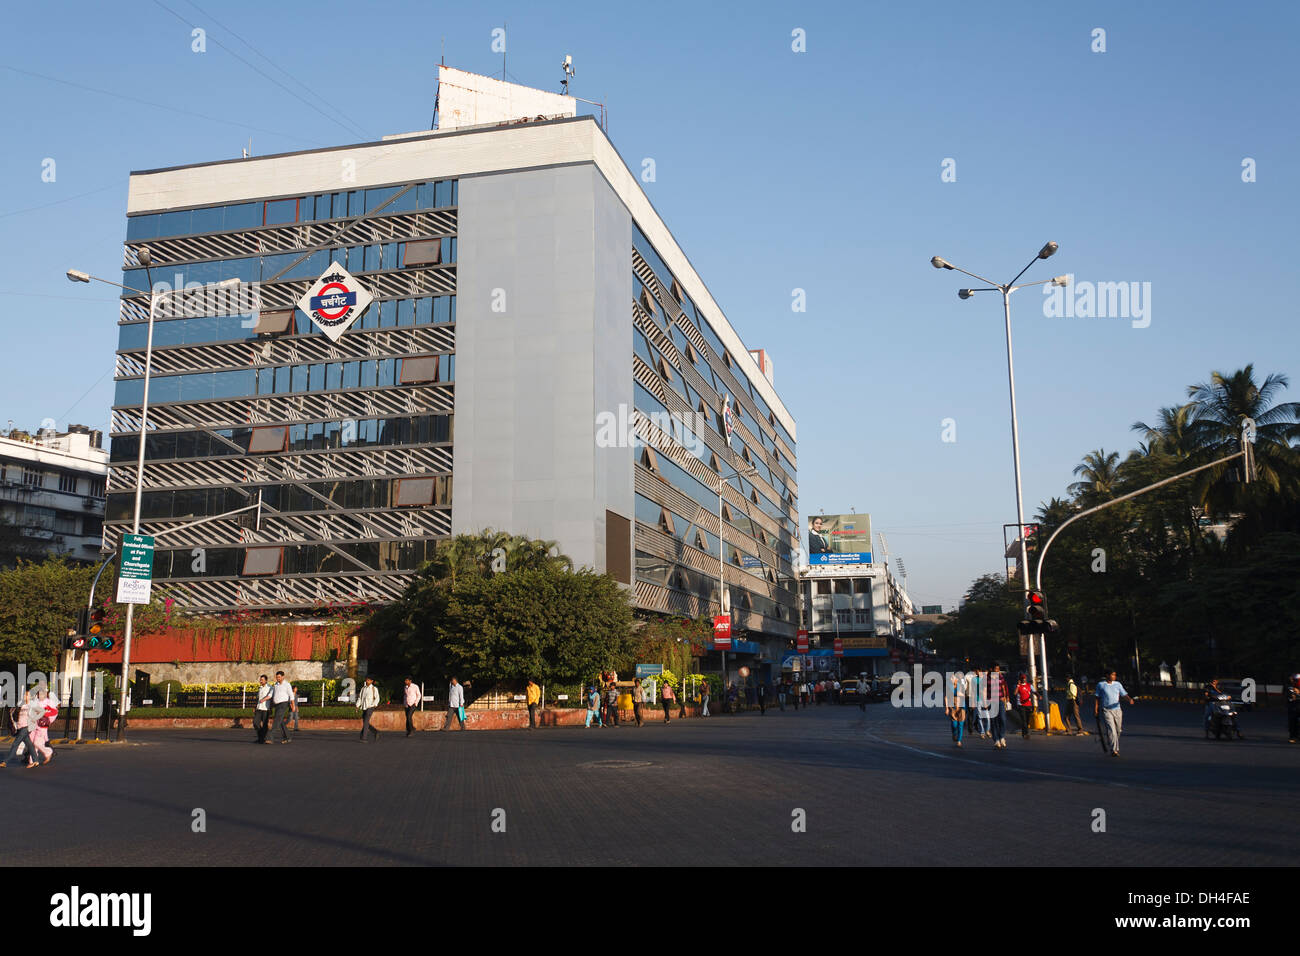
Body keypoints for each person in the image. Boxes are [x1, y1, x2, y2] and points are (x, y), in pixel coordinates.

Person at [1094, 669, 1135, 756]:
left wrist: (1129, 699)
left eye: (1115, 675)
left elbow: (1124, 694)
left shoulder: (1118, 684)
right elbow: (1097, 697)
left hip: (1117, 710)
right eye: (1112, 675)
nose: (1114, 676)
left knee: (1118, 730)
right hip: (1106, 710)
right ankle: (1114, 750)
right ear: (1107, 675)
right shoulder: (1101, 685)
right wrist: (1096, 709)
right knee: (1112, 730)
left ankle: (1111, 740)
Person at [25, 687, 58, 768]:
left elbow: (55, 712)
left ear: (46, 694)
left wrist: (44, 715)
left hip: (42, 725)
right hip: (34, 724)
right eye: (39, 694)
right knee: (32, 743)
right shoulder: (36, 702)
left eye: (42, 694)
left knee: (36, 742)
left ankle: (48, 752)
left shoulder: (49, 703)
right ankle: (33, 761)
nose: (41, 695)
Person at [0, 690, 33, 768]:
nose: (25, 696)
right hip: (20, 727)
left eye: (27, 695)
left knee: (15, 744)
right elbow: (15, 714)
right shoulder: (21, 704)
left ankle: (5, 761)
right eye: (24, 695)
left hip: (25, 728)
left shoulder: (31, 705)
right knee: (30, 745)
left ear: (30, 697)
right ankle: (35, 760)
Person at [989, 663, 1010, 749]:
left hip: (1001, 700)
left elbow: (1004, 687)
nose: (997, 671)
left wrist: (1006, 697)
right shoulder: (987, 678)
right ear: (992, 669)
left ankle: (1001, 737)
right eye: (995, 669)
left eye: (998, 669)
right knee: (994, 721)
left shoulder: (1001, 677)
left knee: (1003, 719)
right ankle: (996, 740)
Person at [270, 671, 294, 743]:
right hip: (277, 705)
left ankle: (270, 737)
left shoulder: (287, 684)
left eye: (279, 677)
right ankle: (287, 737)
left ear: (283, 677)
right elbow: (273, 695)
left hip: (283, 704)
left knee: (276, 720)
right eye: (277, 677)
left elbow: (291, 695)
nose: (278, 678)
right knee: (280, 721)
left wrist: (293, 705)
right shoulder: (276, 685)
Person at [356, 676, 380, 742]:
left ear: (372, 681)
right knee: (365, 722)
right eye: (366, 680)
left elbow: (377, 698)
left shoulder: (374, 689)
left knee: (366, 722)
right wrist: (357, 705)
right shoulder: (363, 689)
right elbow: (360, 698)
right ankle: (375, 732)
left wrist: (374, 705)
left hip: (370, 707)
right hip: (364, 707)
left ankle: (364, 738)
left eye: (369, 680)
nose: (367, 681)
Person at [1013, 673, 1036, 739]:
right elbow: (1015, 693)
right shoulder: (1018, 686)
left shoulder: (1029, 685)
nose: (1024, 679)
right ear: (1020, 679)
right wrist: (1018, 685)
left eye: (1025, 678)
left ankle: (1024, 732)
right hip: (1021, 705)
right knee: (1024, 720)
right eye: (1022, 678)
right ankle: (1026, 733)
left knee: (1027, 720)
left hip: (1028, 705)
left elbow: (1034, 691)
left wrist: (1038, 695)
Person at [946, 672, 965, 748]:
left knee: (960, 724)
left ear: (956, 679)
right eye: (951, 678)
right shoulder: (949, 687)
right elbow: (946, 697)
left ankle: (959, 740)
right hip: (952, 707)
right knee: (954, 725)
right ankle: (954, 734)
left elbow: (963, 694)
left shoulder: (961, 686)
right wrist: (947, 708)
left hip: (961, 707)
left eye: (953, 678)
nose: (951, 679)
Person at [253, 674, 272, 744]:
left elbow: (271, 697)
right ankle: (261, 736)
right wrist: (255, 707)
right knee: (255, 723)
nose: (261, 681)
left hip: (266, 708)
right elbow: (257, 698)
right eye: (260, 680)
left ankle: (261, 739)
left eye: (262, 680)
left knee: (265, 725)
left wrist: (264, 700)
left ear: (266, 680)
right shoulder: (260, 688)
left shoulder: (270, 687)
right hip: (259, 708)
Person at [1287, 673, 1300, 744]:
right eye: (1296, 680)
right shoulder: (1290, 687)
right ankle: (1292, 736)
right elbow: (1291, 697)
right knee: (1292, 721)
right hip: (1293, 707)